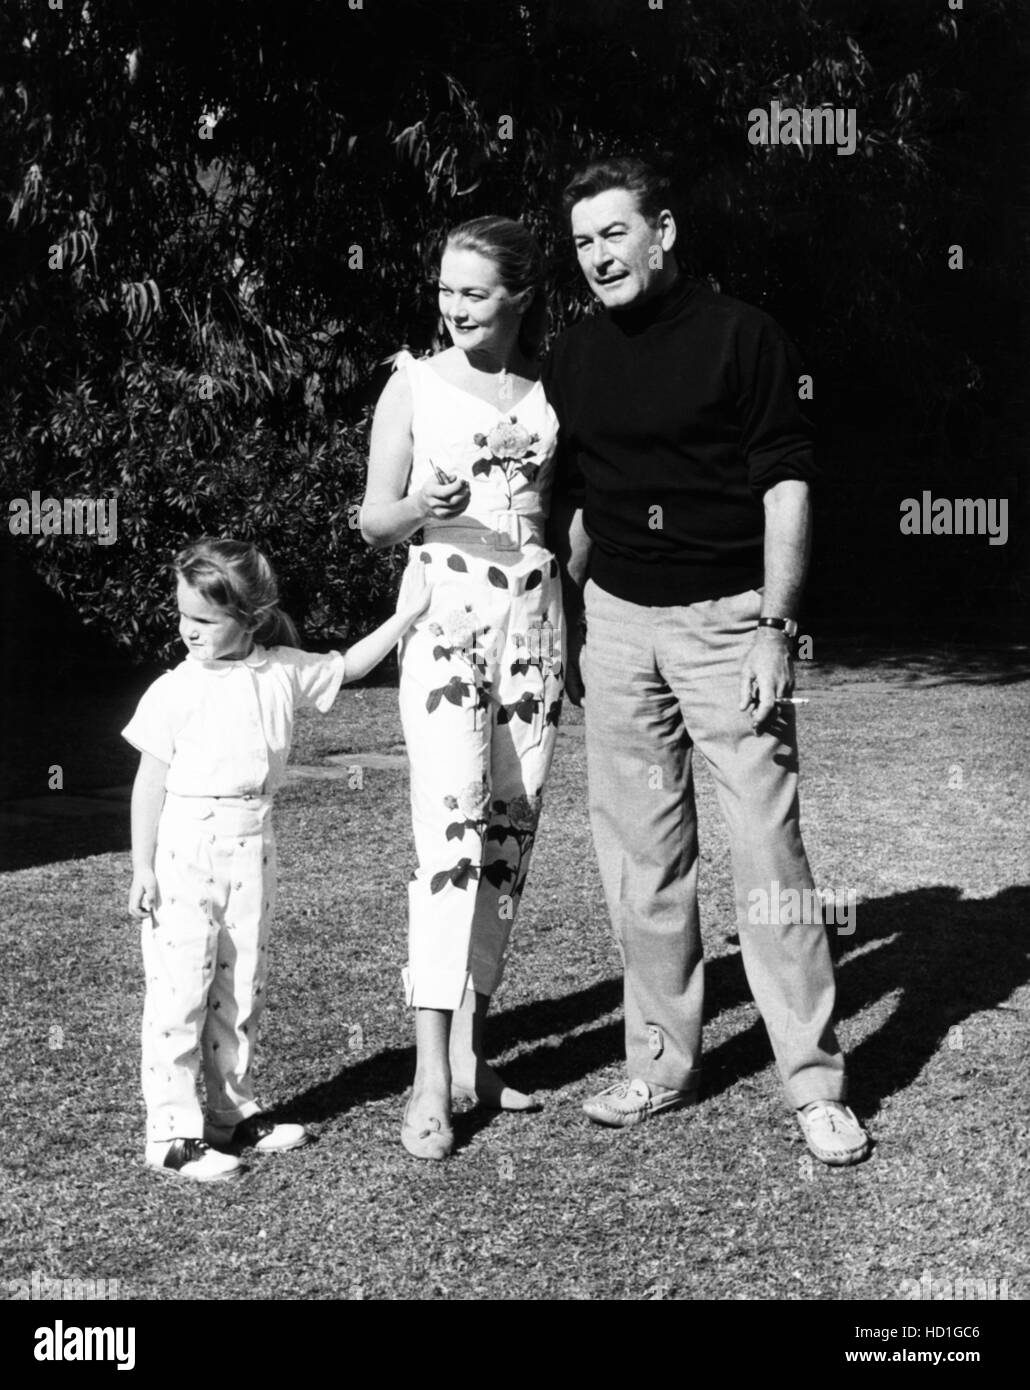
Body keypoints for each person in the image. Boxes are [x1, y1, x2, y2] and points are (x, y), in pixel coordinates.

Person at [546, 156, 870, 1165]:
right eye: (584, 242)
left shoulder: (742, 337)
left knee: (766, 858)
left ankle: (814, 1085)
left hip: (730, 626)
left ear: (663, 231)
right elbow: (574, 505)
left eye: (615, 233)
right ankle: (656, 1063)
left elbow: (784, 489)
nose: (600, 255)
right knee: (642, 861)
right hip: (618, 631)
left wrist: (776, 626)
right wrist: (569, 619)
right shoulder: (572, 356)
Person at [123, 537, 430, 1182]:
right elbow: (149, 782)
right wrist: (142, 867)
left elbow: (349, 666)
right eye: (184, 616)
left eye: (205, 620)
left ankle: (232, 1115)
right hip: (187, 846)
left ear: (251, 619)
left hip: (254, 839)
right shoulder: (172, 691)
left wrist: (407, 615)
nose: (189, 631)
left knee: (241, 984)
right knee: (180, 989)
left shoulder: (281, 670)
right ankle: (171, 1133)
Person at [361, 215, 563, 1160]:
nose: (455, 306)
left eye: (475, 292)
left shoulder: (551, 387)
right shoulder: (412, 383)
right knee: (450, 833)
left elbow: (572, 508)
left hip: (535, 624)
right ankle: (426, 1075)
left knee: (509, 836)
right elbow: (372, 521)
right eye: (446, 289)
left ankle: (476, 1048)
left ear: (520, 294)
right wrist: (418, 509)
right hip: (445, 619)